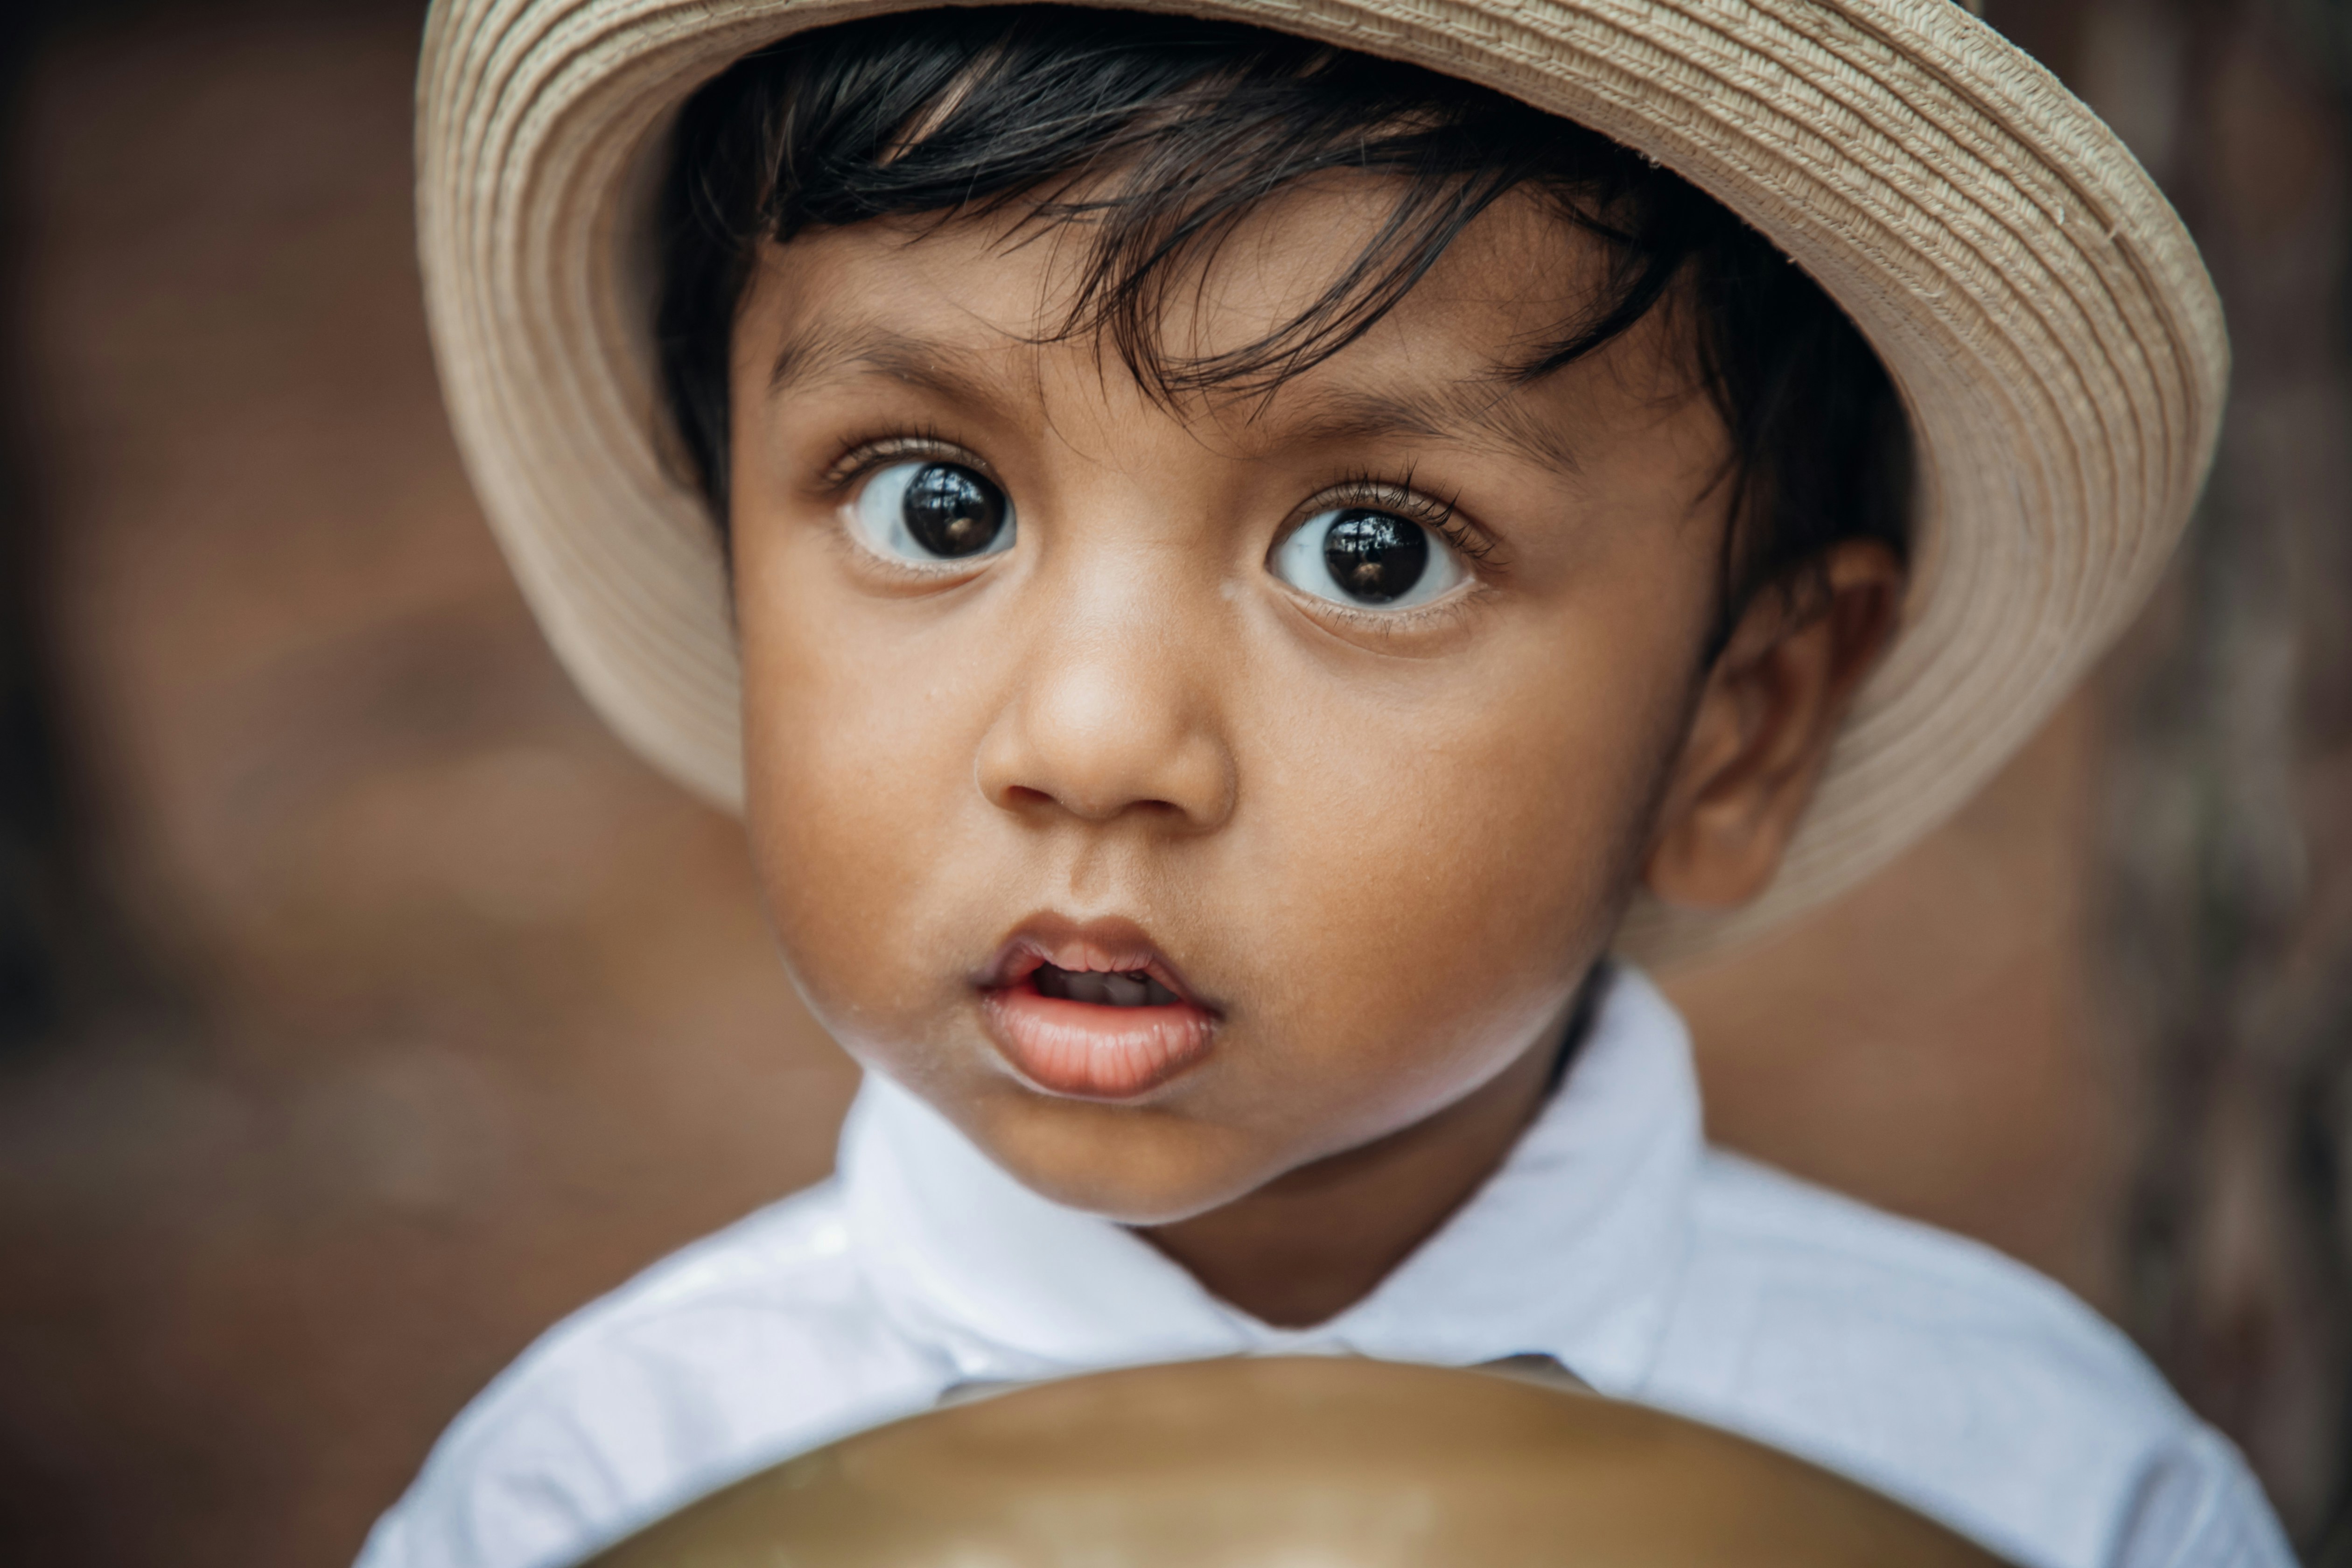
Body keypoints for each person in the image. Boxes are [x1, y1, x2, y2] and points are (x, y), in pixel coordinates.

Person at [365, 1, 2287, 1564]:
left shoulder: (2033, 1497)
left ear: (1746, 723)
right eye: (932, 505)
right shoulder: (592, 1500)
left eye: (1375, 552)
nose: (1096, 744)